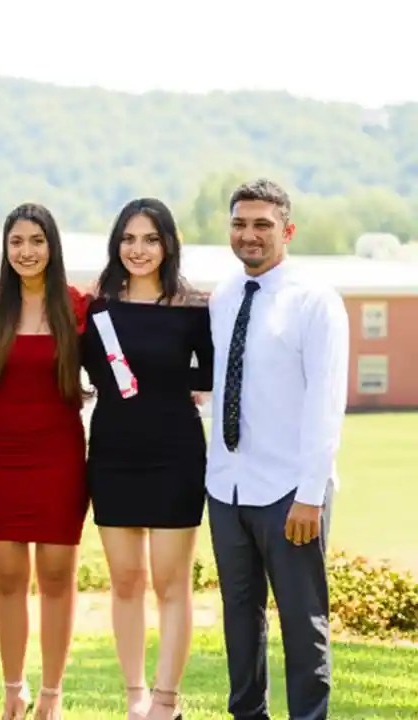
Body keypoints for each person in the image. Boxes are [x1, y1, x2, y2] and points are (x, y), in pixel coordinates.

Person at [206, 179, 348, 720]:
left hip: (291, 492)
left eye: (263, 224)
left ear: (287, 230)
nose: (250, 235)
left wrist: (310, 494)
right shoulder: (223, 297)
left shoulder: (315, 302)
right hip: (226, 486)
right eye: (240, 224)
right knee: (239, 620)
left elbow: (325, 402)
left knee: (301, 620)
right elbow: (225, 383)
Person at [81, 198, 213, 720]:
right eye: (130, 239)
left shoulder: (194, 306)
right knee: (126, 580)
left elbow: (207, 376)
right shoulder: (96, 311)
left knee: (171, 581)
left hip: (176, 452)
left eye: (151, 239)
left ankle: (166, 700)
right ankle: (134, 697)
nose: (139, 250)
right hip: (113, 451)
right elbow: (83, 373)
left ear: (168, 245)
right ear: (117, 244)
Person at [0, 203, 89, 720]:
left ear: (52, 246)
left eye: (36, 241)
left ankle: (51, 697)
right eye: (16, 241)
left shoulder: (79, 307)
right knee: (9, 578)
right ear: (6, 248)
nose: (26, 251)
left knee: (59, 576)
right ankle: (13, 691)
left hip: (60, 454)